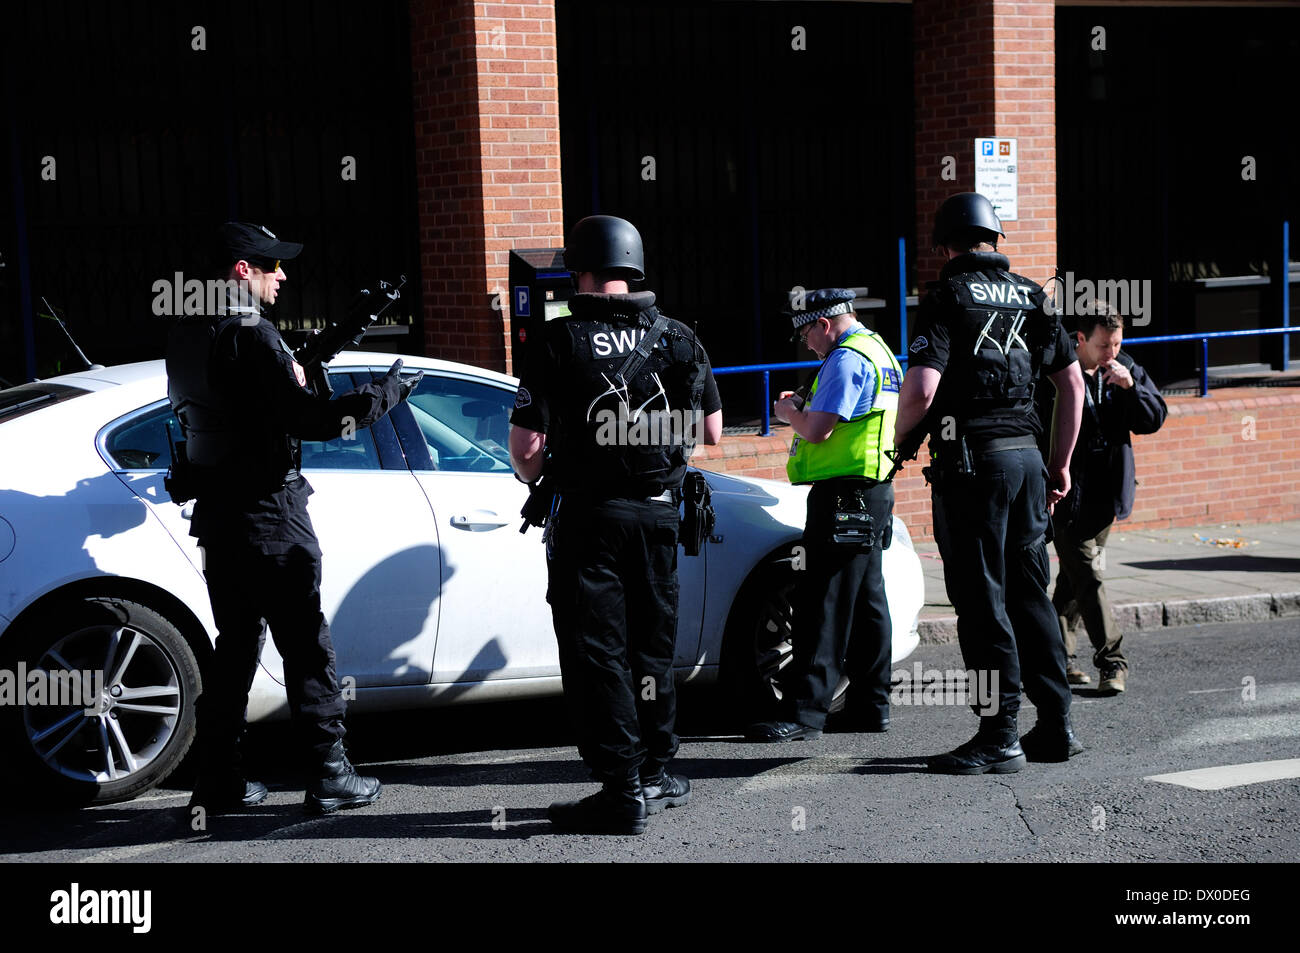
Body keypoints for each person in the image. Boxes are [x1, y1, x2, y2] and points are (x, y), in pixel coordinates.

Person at [166, 222, 419, 815]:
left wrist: (298, 369)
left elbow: (229, 412)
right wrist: (386, 395)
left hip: (220, 518)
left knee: (235, 651)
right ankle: (331, 776)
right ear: (240, 271)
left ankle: (219, 782)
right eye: (270, 266)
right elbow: (313, 421)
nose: (281, 275)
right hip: (271, 517)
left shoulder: (185, 333)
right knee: (307, 646)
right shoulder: (253, 335)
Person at [508, 214, 722, 834]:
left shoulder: (556, 340)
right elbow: (709, 431)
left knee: (598, 653)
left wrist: (550, 468)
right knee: (651, 647)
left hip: (591, 521)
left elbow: (525, 450)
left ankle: (621, 788)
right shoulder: (678, 336)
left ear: (582, 270)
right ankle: (657, 770)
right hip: (659, 515)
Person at [894, 192, 1086, 773]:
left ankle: (998, 733)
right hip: (1028, 461)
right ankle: (1055, 727)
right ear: (995, 240)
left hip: (973, 467)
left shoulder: (946, 296)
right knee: (1030, 597)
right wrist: (1060, 464)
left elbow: (924, 390)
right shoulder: (1033, 295)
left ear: (945, 245)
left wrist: (898, 441)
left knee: (981, 603)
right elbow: (1072, 387)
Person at [745, 289, 902, 742]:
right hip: (871, 490)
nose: (807, 343)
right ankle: (872, 705)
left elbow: (818, 429)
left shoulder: (847, 358)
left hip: (844, 493)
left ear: (824, 324)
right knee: (869, 603)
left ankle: (803, 714)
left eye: (806, 333)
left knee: (822, 602)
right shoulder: (879, 351)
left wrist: (788, 412)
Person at [1039, 298, 1166, 694]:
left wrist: (1131, 390)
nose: (1112, 353)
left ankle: (1056, 660)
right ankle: (1113, 661)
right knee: (1088, 576)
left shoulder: (1125, 368)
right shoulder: (1057, 373)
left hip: (1106, 495)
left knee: (1073, 583)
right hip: (1065, 493)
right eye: (1103, 346)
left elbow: (1154, 419)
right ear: (1081, 339)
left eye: (1116, 343)